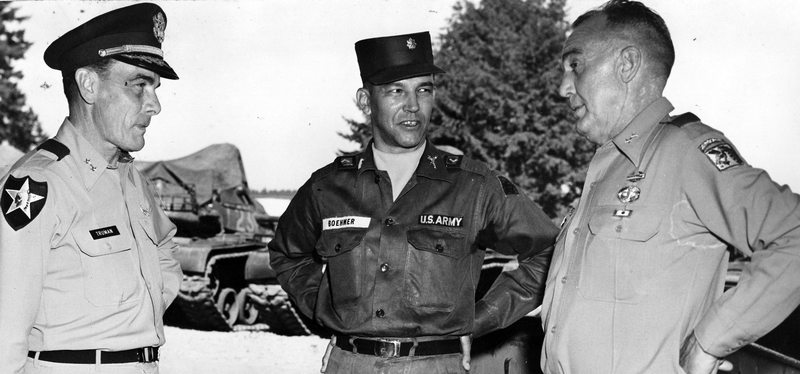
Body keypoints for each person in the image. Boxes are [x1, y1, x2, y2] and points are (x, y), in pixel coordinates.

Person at [268, 31, 559, 374]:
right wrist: (324, 307)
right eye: (395, 91)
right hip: (348, 364)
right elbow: (287, 254)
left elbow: (549, 253)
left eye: (424, 89)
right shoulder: (327, 187)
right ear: (365, 101)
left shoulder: (474, 185)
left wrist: (480, 319)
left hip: (435, 365)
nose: (412, 105)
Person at [540, 1, 800, 373]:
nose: (563, 87)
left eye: (575, 65)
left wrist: (709, 342)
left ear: (627, 64)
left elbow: (794, 234)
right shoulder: (606, 169)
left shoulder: (686, 151)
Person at [0, 3, 183, 373]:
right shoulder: (38, 185)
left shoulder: (131, 178)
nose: (156, 105)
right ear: (89, 85)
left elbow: (164, 247)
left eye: (156, 88)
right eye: (138, 85)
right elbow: (4, 335)